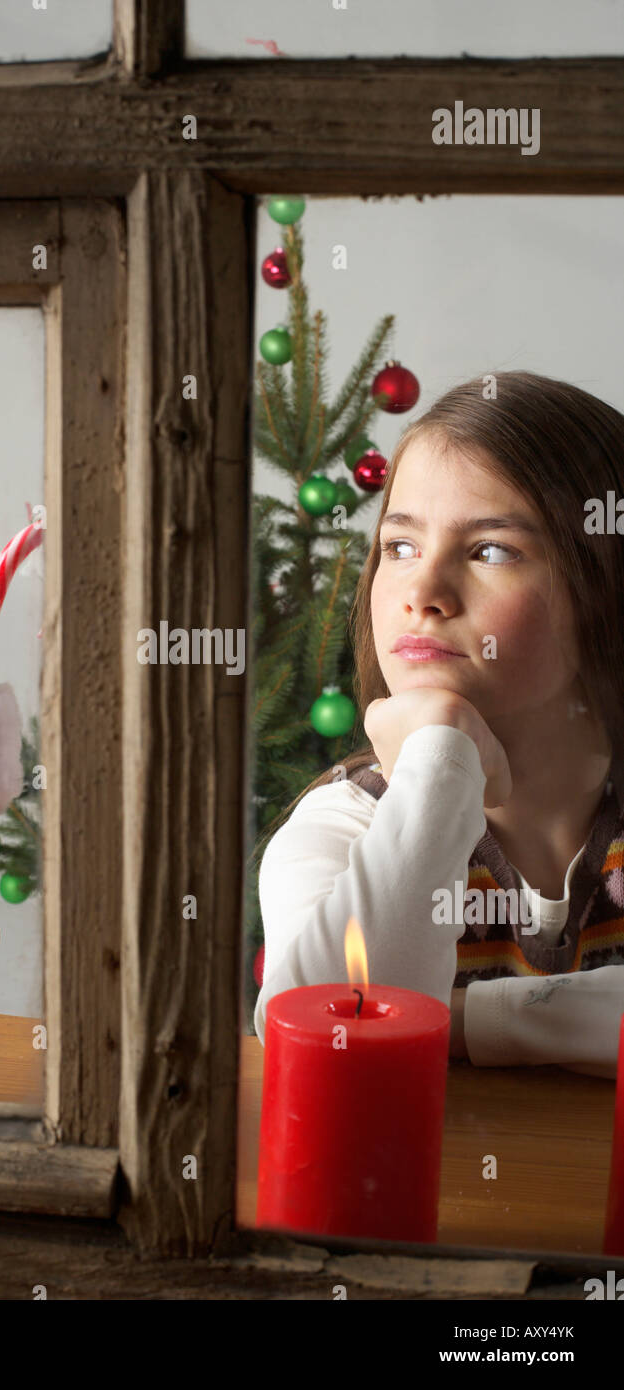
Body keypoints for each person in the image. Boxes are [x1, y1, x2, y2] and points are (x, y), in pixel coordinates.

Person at [254, 370, 624, 1078]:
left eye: (490, 550)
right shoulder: (343, 826)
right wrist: (436, 762)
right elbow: (328, 1043)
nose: (420, 593)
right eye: (399, 547)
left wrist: (460, 1022)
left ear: (602, 587)